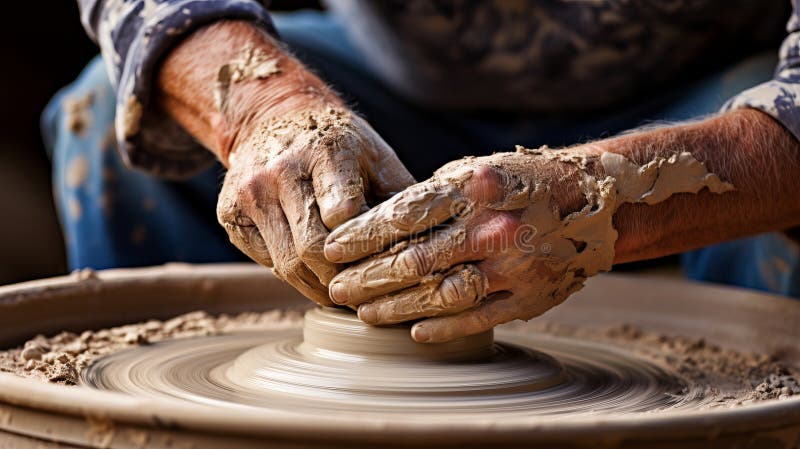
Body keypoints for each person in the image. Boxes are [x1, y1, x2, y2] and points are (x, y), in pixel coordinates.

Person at [44, 1, 800, 341]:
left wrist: (601, 202)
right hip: (390, 84)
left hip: (714, 104)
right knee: (108, 123)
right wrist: (265, 109)